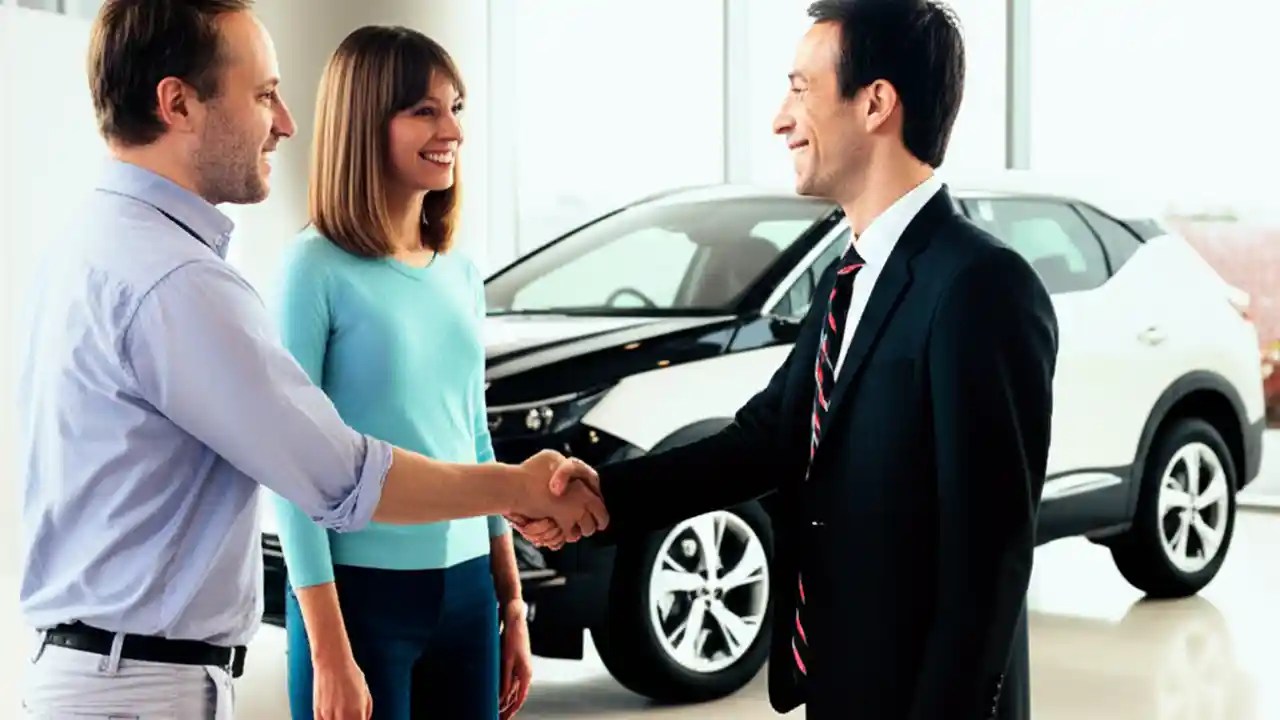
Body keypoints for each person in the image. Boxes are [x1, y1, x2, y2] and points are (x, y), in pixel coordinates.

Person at [16, 2, 601, 717]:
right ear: (177, 104)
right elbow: (332, 476)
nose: (287, 122)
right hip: (143, 685)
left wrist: (508, 588)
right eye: (263, 94)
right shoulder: (180, 281)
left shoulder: (98, 242)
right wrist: (523, 488)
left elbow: (453, 428)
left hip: (123, 672)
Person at [512, 1, 1059, 718]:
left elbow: (988, 557)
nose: (779, 119)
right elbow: (767, 441)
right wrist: (606, 497)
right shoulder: (849, 277)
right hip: (837, 684)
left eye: (800, 89)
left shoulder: (980, 286)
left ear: (875, 104)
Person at [270, 25, 531, 720]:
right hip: (360, 599)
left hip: (470, 593)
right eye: (424, 109)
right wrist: (328, 650)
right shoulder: (312, 269)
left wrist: (510, 599)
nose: (452, 129)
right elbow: (292, 475)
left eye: (457, 107)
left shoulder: (460, 273)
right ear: (364, 123)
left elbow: (472, 437)